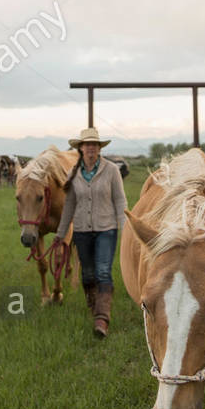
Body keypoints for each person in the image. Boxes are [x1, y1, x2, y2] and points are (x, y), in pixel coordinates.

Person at [54, 127, 128, 337]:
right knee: (87, 274)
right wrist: (60, 234)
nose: (91, 149)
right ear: (81, 148)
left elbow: (120, 200)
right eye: (87, 145)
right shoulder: (73, 173)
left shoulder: (112, 170)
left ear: (99, 148)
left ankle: (102, 319)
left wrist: (126, 228)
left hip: (106, 229)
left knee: (103, 270)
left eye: (94, 145)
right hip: (81, 230)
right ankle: (94, 306)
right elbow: (69, 205)